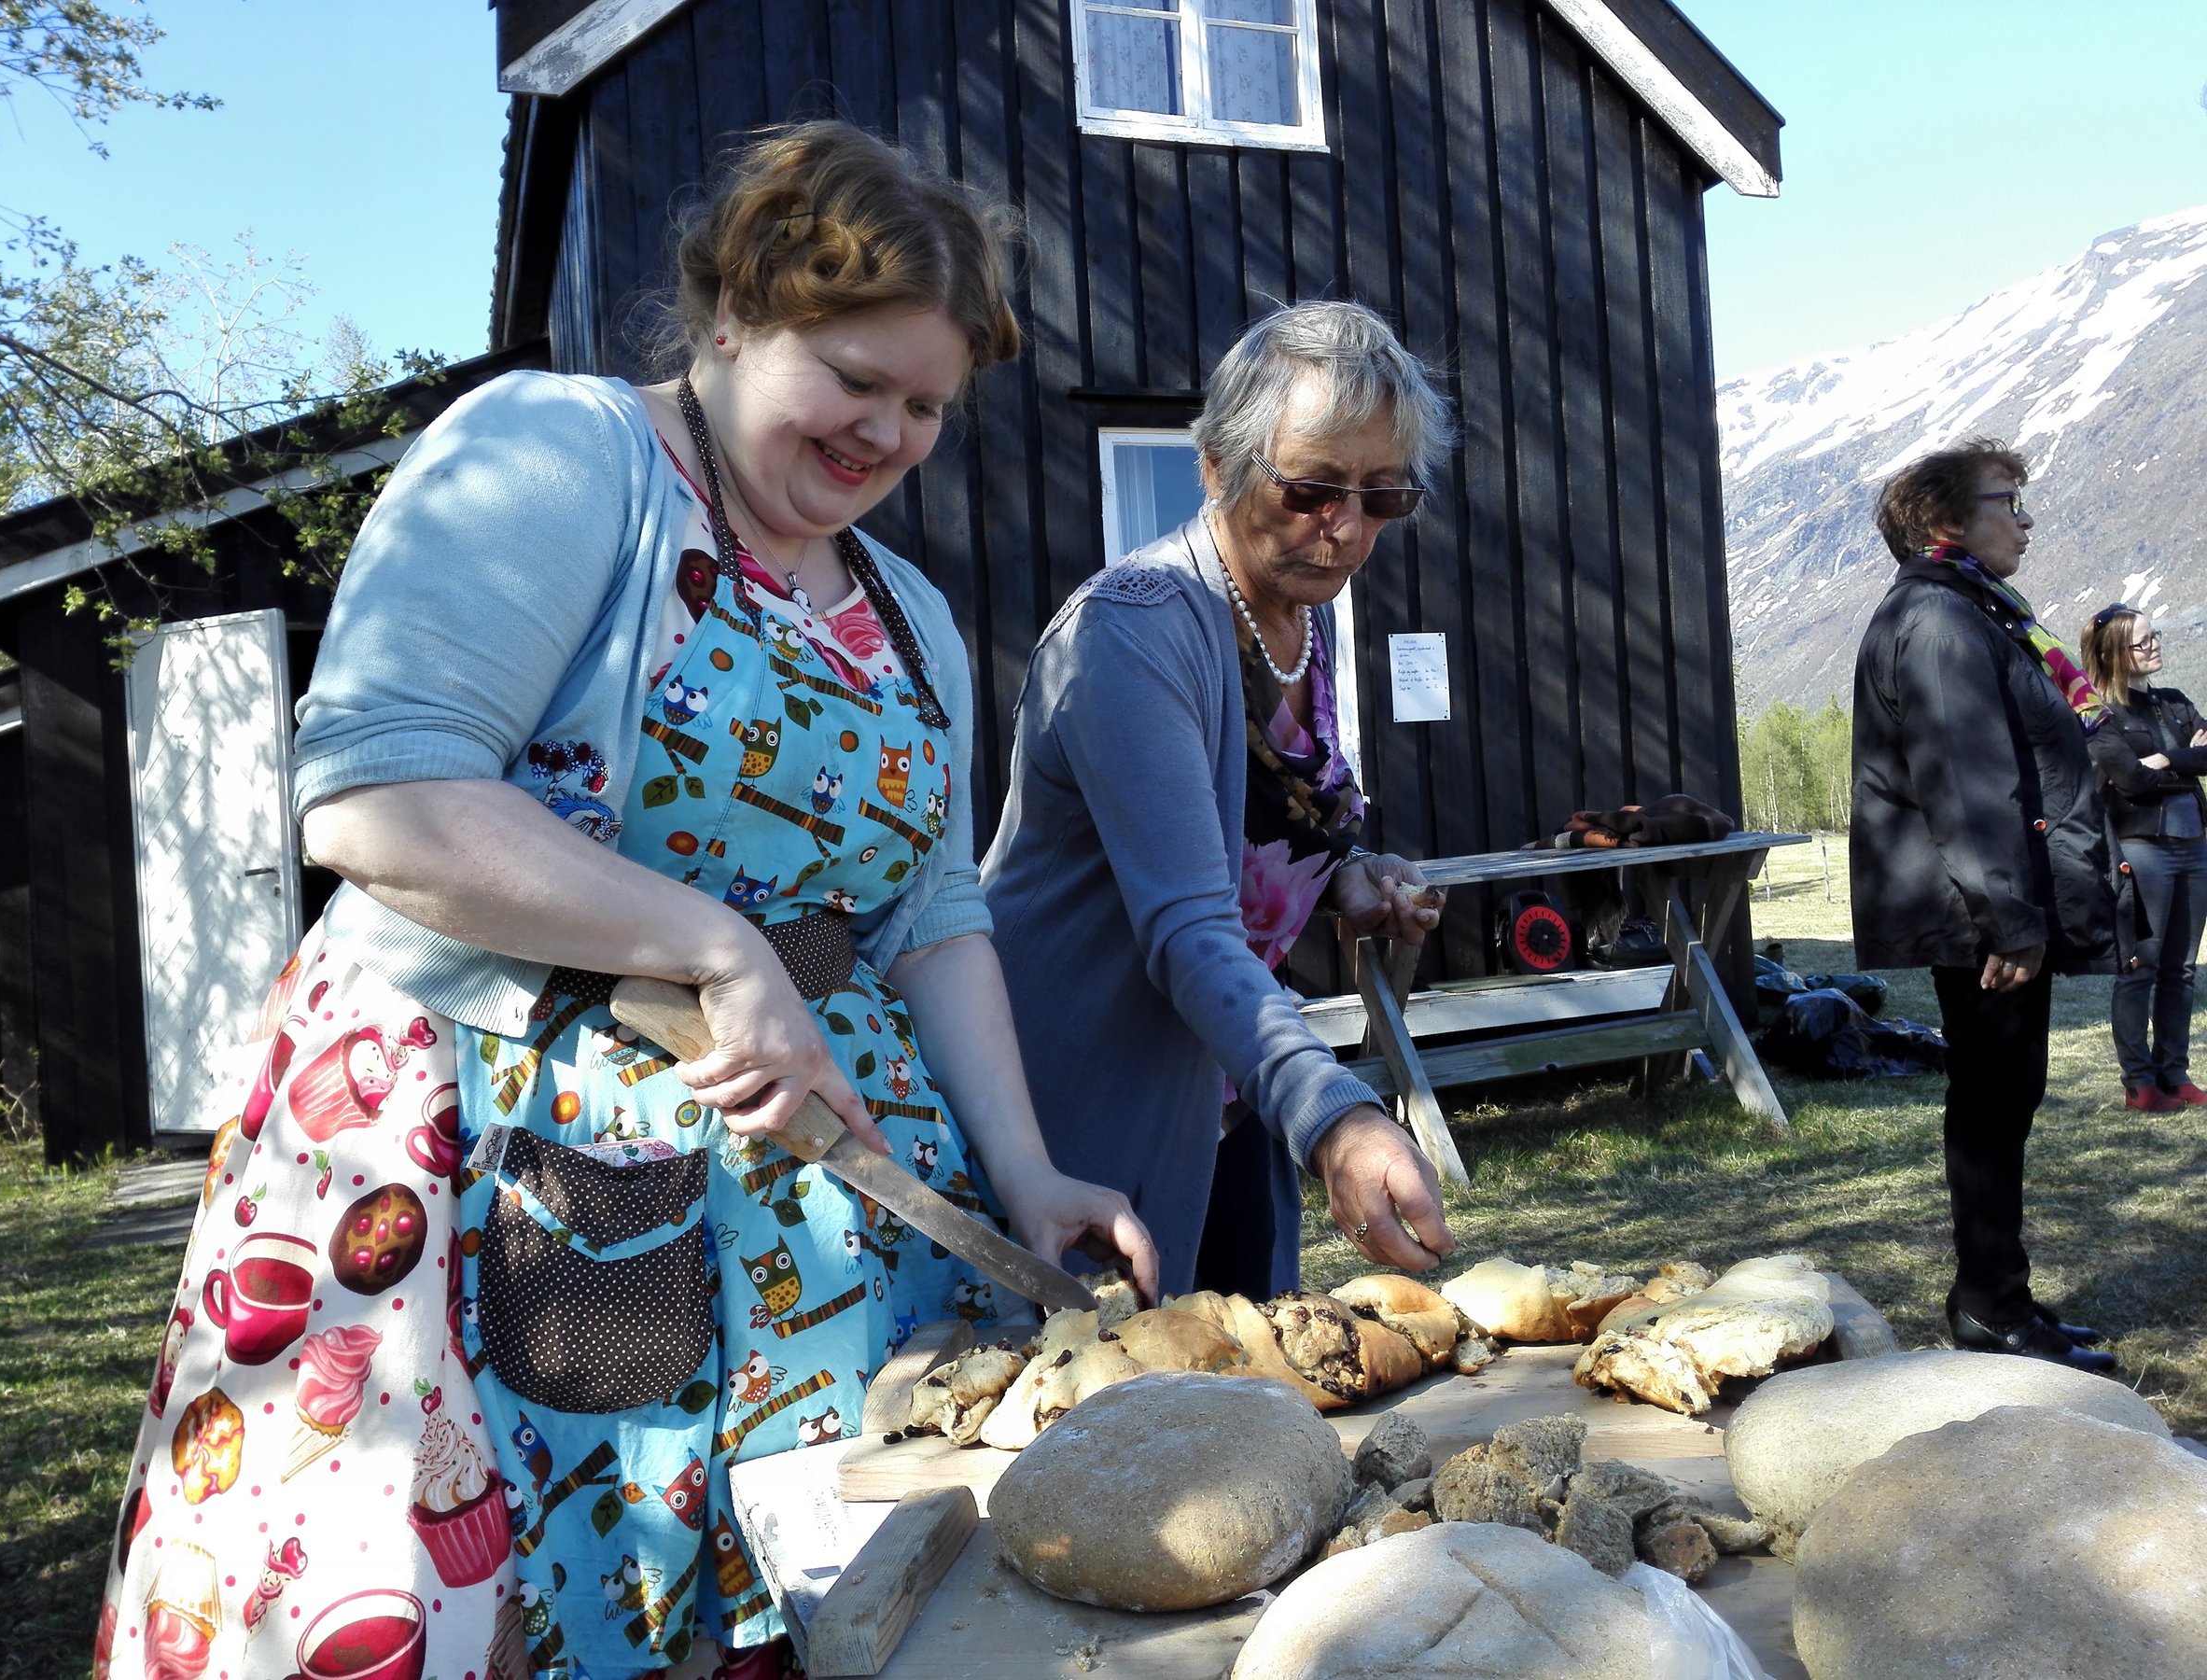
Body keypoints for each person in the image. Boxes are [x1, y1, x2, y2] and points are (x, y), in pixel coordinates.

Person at [94, 120, 1155, 1680]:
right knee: (482, 1602)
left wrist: (1030, 1169)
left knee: (835, 1606)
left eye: (926, 405)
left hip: (833, 1221)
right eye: (855, 380)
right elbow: (379, 792)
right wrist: (709, 943)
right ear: (733, 316)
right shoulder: (561, 457)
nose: (888, 436)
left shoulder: (910, 615)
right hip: (487, 1175)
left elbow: (930, 916)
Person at [982, 300, 1457, 1300]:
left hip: (1233, 1096)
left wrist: (1349, 882)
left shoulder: (1296, 617)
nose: (1344, 528)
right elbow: (1191, 924)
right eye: (1312, 488)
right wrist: (1336, 1112)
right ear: (1217, 468)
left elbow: (1251, 834)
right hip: (1083, 1114)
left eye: (1383, 498)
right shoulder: (1136, 631)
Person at [1850, 437, 2118, 1374]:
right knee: (1994, 1102)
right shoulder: (1940, 622)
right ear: (1944, 523)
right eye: (2011, 501)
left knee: (2005, 1099)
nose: (2027, 519)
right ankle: (1994, 1310)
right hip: (1983, 921)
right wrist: (2008, 920)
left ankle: (1997, 1299)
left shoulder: (1971, 613)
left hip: (1991, 910)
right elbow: (1965, 784)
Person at [2079, 602, 2207, 1110]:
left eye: (2156, 637)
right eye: (2142, 642)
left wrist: (2167, 758)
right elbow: (2129, 779)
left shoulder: (2174, 702)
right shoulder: (2099, 717)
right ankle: (2140, 1081)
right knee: (2140, 966)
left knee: (2182, 970)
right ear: (2113, 653)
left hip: (2195, 845)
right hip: (2141, 851)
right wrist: (2182, 761)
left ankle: (2175, 1074)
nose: (2154, 646)